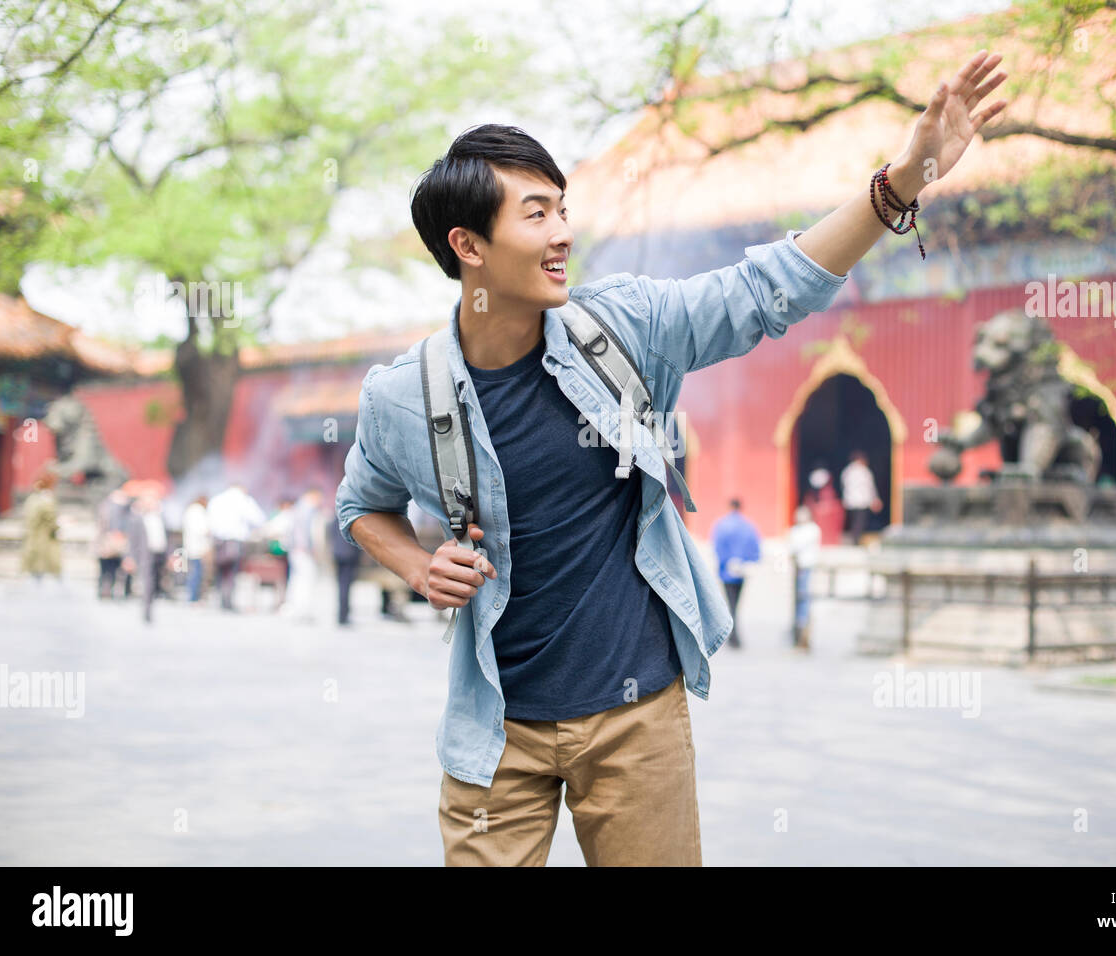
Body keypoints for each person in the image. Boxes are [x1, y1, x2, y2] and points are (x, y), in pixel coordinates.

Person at [335, 64, 1005, 865]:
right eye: (536, 213)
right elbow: (360, 507)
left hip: (635, 719)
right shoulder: (402, 397)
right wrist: (416, 565)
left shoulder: (625, 329)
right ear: (467, 245)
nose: (562, 234)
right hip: (494, 733)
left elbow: (769, 287)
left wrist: (900, 184)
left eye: (563, 209)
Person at [206, 483, 267, 612]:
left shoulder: (216, 500)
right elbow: (258, 519)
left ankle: (222, 599)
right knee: (231, 572)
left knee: (221, 571)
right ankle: (228, 600)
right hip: (234, 542)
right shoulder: (243, 500)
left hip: (218, 542)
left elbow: (209, 523)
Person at [710, 498, 762, 649]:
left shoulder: (721, 525)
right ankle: (734, 635)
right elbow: (755, 546)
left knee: (730, 603)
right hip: (742, 571)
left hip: (727, 570)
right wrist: (749, 561)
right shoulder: (749, 526)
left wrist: (725, 562)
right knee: (736, 604)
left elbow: (718, 546)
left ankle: (732, 634)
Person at [281, 488, 325, 623]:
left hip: (296, 550)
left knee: (296, 580)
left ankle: (293, 609)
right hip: (304, 552)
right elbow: (309, 533)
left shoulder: (297, 508)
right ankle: (302, 610)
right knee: (305, 581)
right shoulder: (308, 509)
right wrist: (313, 550)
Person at [126, 489, 168, 624]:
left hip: (160, 553)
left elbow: (168, 537)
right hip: (145, 554)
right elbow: (132, 541)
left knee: (157, 582)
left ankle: (152, 604)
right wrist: (130, 557)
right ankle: (147, 610)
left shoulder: (161, 517)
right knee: (147, 582)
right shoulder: (137, 519)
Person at [787, 506, 822, 651]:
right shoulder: (796, 530)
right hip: (797, 567)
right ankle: (797, 628)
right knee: (798, 598)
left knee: (804, 598)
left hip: (806, 567)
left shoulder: (812, 530)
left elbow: (795, 546)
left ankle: (803, 630)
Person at [20, 470, 61, 583]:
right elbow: (51, 521)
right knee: (44, 569)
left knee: (33, 569)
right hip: (44, 539)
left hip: (31, 538)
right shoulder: (46, 500)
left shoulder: (31, 499)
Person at [330, 486, 363, 626]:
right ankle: (343, 615)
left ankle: (342, 615)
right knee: (346, 586)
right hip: (349, 555)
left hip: (338, 554)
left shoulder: (335, 517)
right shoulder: (354, 516)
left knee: (341, 586)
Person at [95, 486, 133, 599]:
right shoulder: (108, 507)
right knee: (107, 568)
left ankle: (110, 590)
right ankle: (105, 590)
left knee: (117, 568)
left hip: (119, 542)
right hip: (108, 542)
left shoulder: (125, 507)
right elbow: (103, 525)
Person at [840, 450, 882, 546]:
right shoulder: (864, 471)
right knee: (860, 522)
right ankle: (855, 540)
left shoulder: (847, 471)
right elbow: (869, 487)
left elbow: (843, 486)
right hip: (862, 501)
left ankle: (854, 539)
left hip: (850, 501)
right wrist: (875, 500)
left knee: (854, 522)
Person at [181, 495, 211, 602]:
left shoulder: (189, 511)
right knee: (197, 574)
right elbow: (203, 529)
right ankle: (194, 598)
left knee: (193, 573)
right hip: (198, 548)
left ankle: (193, 596)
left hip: (190, 546)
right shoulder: (198, 511)